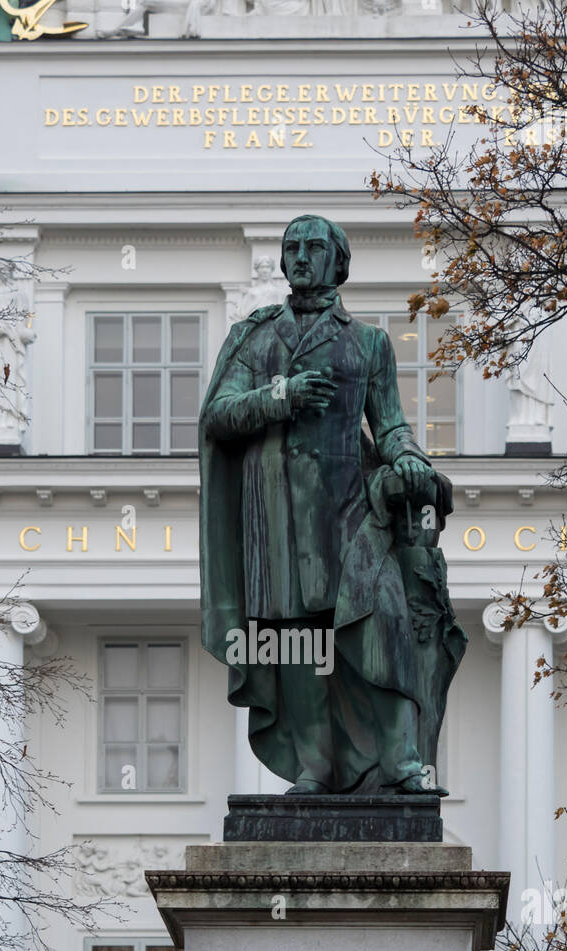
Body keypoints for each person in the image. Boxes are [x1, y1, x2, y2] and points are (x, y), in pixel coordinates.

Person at [199, 214, 464, 794]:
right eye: (291, 247)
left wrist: (409, 458)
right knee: (296, 637)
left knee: (385, 619)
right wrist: (281, 396)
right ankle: (313, 767)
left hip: (350, 509)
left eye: (313, 247)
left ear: (338, 261)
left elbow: (390, 425)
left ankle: (400, 760)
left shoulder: (367, 341)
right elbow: (217, 415)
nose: (299, 256)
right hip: (272, 513)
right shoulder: (254, 336)